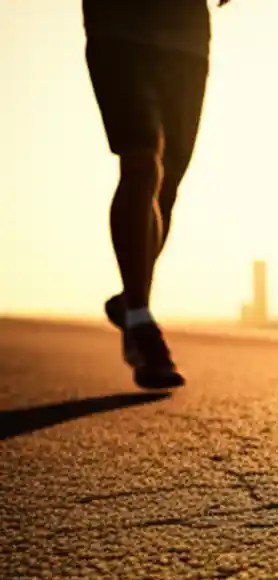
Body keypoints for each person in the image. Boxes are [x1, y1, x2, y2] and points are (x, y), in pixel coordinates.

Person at [83, 0, 230, 389]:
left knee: (168, 183)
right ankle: (139, 319)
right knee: (143, 163)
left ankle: (131, 298)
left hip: (187, 35)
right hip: (119, 25)